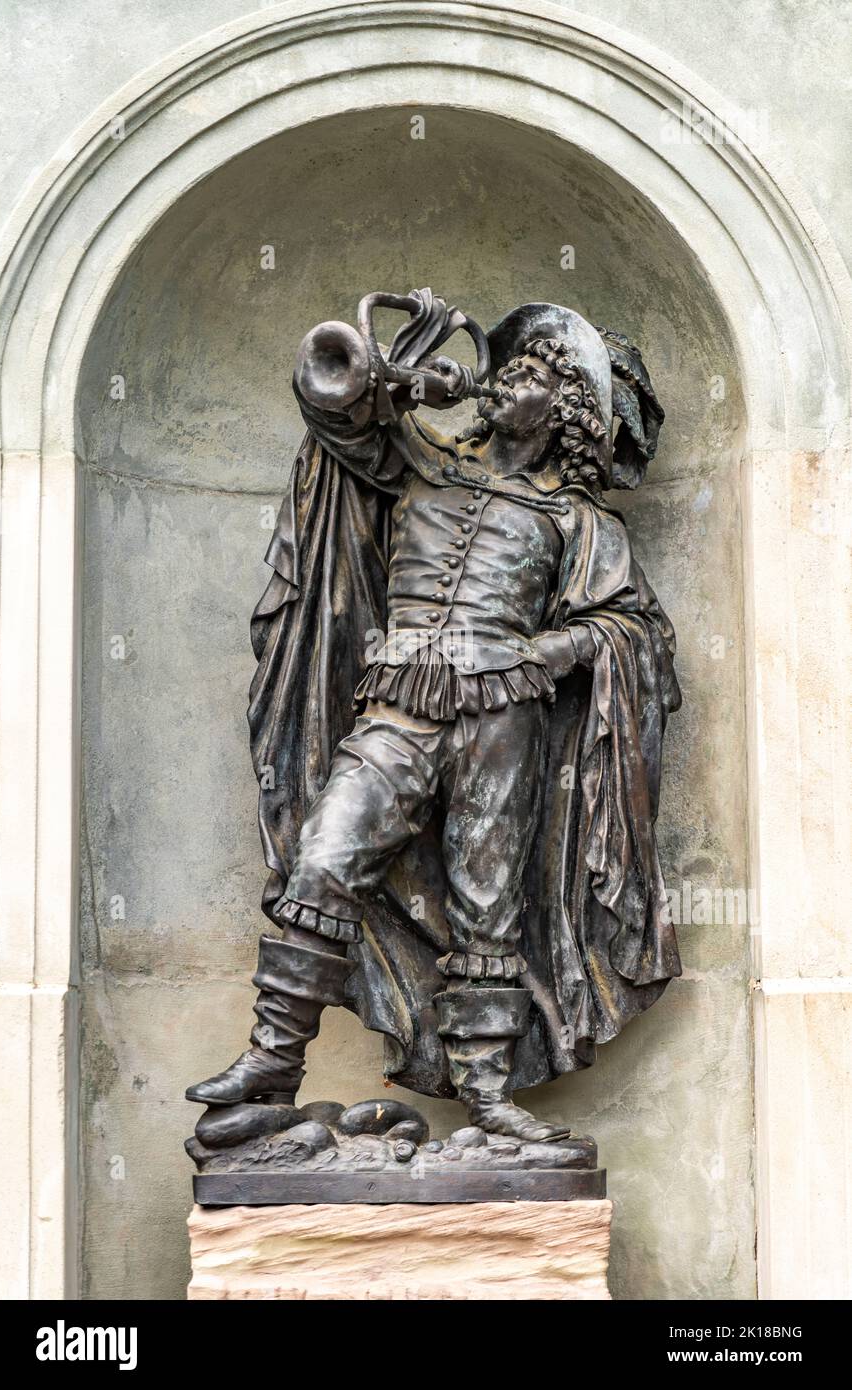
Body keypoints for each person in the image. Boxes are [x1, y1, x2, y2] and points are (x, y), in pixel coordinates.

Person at [187, 297, 682, 1140]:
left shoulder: (576, 519)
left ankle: (486, 1095)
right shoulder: (420, 459)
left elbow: (633, 627)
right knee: (324, 856)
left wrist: (546, 653)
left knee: (489, 907)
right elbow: (335, 413)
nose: (504, 380)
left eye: (528, 373)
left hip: (502, 721)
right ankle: (274, 1060)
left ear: (563, 411)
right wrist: (399, 383)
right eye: (507, 366)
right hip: (396, 703)